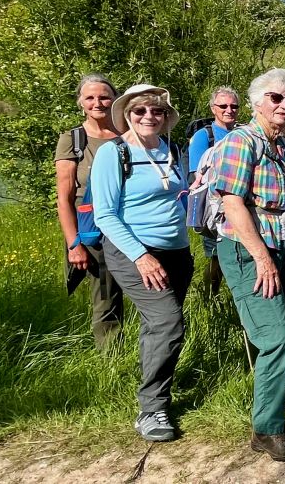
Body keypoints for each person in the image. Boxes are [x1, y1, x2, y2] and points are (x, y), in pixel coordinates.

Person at [211, 68, 285, 461]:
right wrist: (262, 259)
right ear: (256, 103)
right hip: (250, 250)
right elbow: (232, 204)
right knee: (277, 337)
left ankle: (276, 395)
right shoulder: (239, 142)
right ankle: (266, 429)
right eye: (276, 98)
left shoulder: (281, 146)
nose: (284, 105)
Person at [90, 84, 192, 442]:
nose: (149, 117)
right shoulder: (113, 153)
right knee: (168, 323)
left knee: (158, 326)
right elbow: (104, 214)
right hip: (134, 252)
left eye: (157, 112)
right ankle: (151, 409)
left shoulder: (173, 150)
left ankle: (155, 397)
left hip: (177, 252)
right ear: (128, 116)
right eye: (140, 112)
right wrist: (141, 256)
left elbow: (181, 197)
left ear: (166, 117)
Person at [54, 73, 124, 349]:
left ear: (115, 100)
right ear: (80, 102)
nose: (98, 102)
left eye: (104, 96)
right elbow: (64, 197)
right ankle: (112, 361)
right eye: (90, 97)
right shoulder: (73, 140)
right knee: (106, 299)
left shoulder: (127, 136)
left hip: (130, 226)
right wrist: (74, 244)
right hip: (92, 229)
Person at [187, 85, 241, 296]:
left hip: (239, 203)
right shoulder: (204, 136)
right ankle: (211, 296)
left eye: (234, 106)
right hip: (214, 206)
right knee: (215, 254)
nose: (229, 110)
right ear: (213, 109)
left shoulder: (241, 133)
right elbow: (196, 175)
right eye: (223, 106)